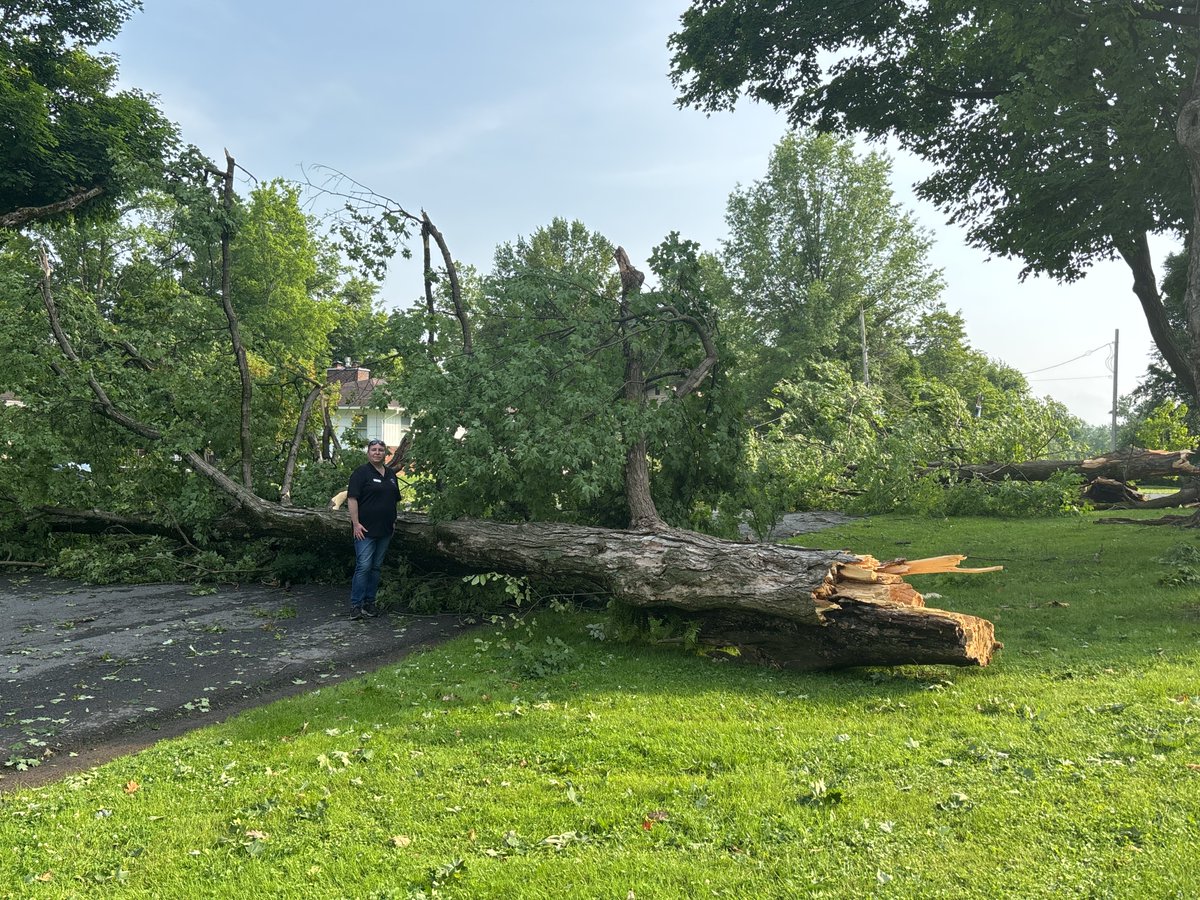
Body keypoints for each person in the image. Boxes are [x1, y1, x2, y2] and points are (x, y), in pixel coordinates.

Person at [346, 438, 400, 620]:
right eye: (374, 449)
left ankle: (370, 603)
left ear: (385, 453)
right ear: (368, 453)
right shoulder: (361, 473)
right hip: (364, 530)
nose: (377, 452)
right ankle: (356, 605)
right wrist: (356, 523)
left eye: (380, 450)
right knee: (364, 566)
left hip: (385, 529)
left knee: (376, 568)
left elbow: (394, 500)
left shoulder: (391, 475)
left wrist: (393, 521)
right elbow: (352, 499)